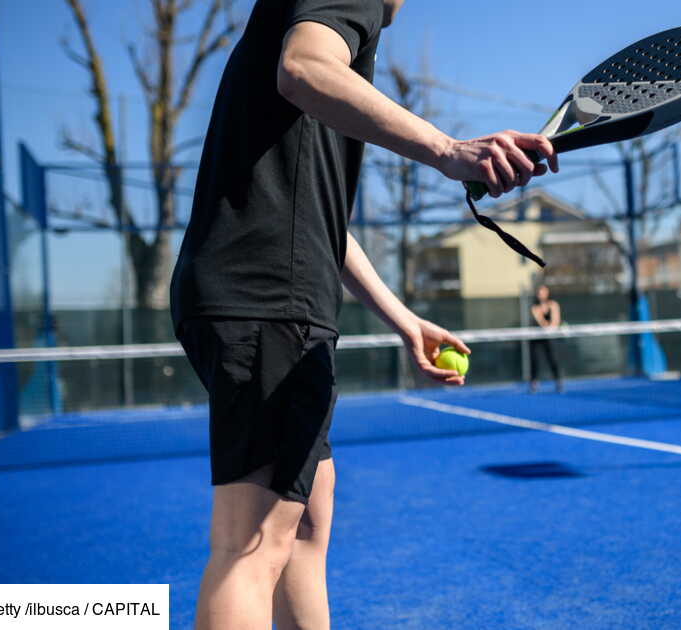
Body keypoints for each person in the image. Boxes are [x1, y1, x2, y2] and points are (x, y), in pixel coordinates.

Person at [168, 2, 558, 628]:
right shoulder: (341, 11)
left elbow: (321, 221)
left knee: (305, 523)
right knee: (251, 545)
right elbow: (302, 68)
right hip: (270, 296)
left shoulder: (318, 29)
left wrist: (404, 319)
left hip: (256, 291)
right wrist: (450, 149)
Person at [528, 284, 563, 393]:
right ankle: (534, 383)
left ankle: (558, 381)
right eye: (539, 292)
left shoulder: (554, 305)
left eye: (543, 292)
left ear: (547, 293)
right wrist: (544, 322)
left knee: (553, 359)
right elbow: (542, 323)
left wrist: (550, 326)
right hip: (536, 338)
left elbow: (555, 322)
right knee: (535, 360)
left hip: (550, 337)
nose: (541, 294)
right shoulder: (534, 307)